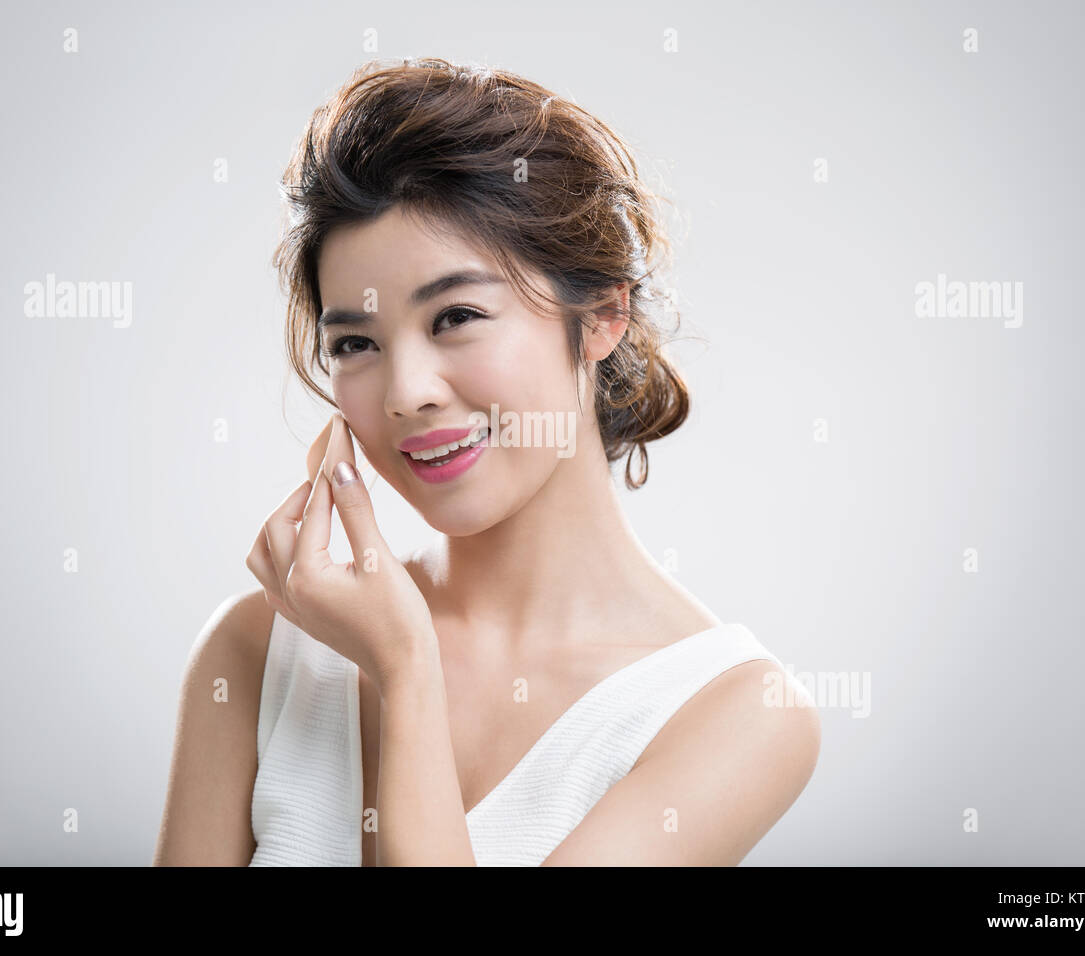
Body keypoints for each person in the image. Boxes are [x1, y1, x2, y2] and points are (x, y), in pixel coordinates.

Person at [154, 56, 819, 867]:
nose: (407, 392)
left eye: (457, 315)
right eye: (354, 344)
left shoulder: (735, 710)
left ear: (604, 314)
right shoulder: (262, 648)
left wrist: (406, 673)